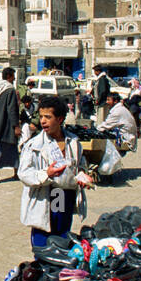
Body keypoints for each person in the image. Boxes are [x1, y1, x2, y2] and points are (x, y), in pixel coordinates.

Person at [18, 95, 92, 250]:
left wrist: (82, 175)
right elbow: (24, 173)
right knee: (44, 231)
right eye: (41, 116)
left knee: (62, 230)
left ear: (60, 119)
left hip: (64, 194)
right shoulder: (34, 145)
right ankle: (43, 261)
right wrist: (46, 173)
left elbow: (79, 164)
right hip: (47, 192)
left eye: (48, 117)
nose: (43, 121)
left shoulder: (73, 142)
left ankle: (59, 261)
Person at [0, 67, 21, 184]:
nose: (14, 78)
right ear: (9, 76)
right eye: (13, 76)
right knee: (12, 148)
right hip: (7, 126)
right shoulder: (10, 90)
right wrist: (16, 126)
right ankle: (15, 173)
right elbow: (12, 109)